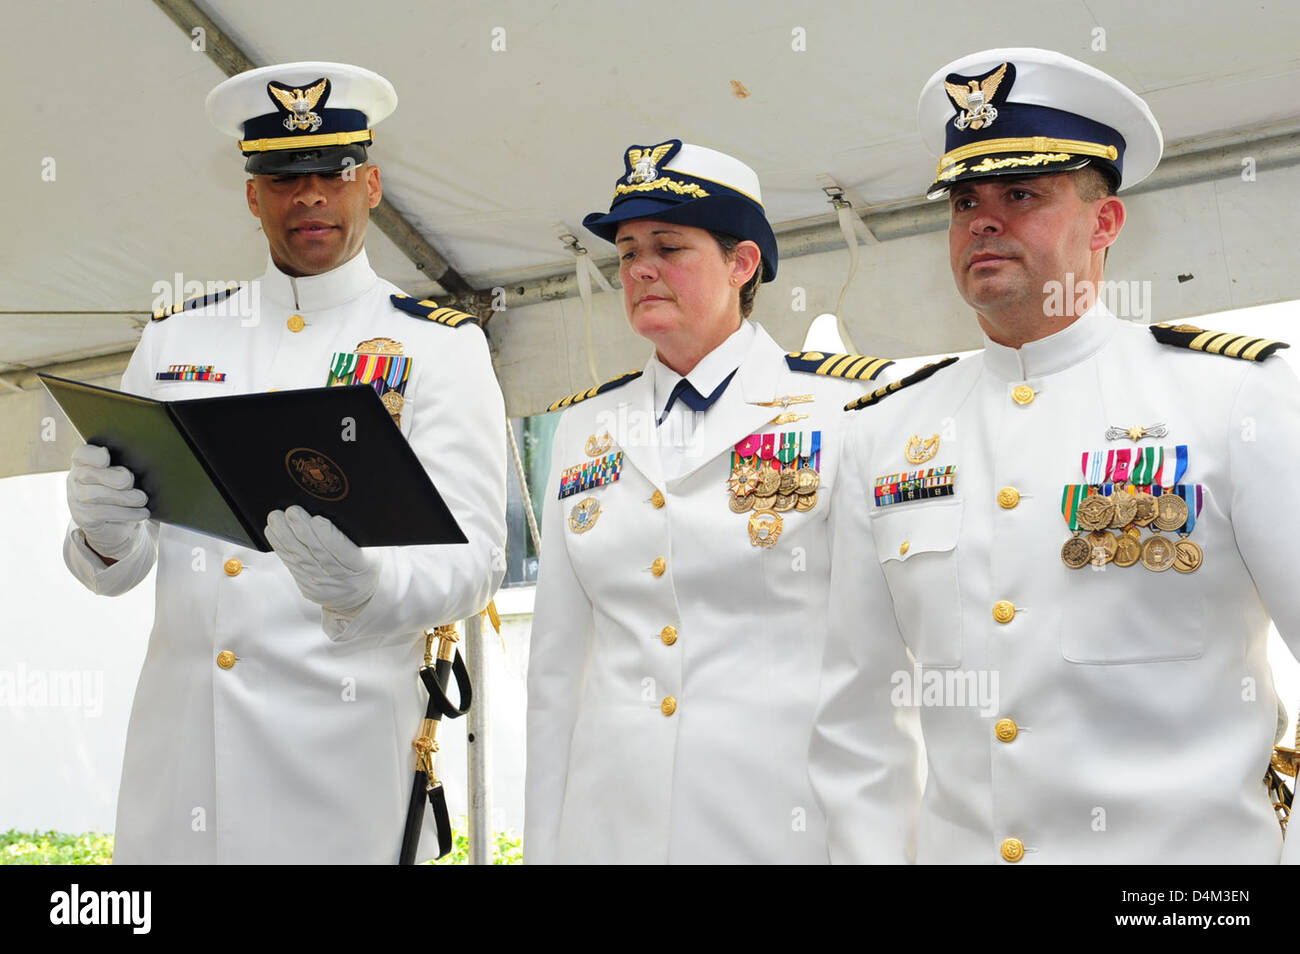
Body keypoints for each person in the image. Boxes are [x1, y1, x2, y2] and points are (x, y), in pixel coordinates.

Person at [810, 47, 1300, 863]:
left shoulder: (1233, 396)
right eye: (965, 200)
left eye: (1022, 194)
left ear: (1104, 223)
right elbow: (856, 710)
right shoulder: (883, 431)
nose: (984, 220)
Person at [62, 62, 506, 863]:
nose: (309, 197)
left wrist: (371, 590)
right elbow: (121, 567)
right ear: (251, 193)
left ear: (370, 185)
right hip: (184, 759)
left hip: (336, 763)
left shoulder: (438, 346)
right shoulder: (175, 341)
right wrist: (100, 535)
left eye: (332, 173)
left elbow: (478, 558)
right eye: (282, 175)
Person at [524, 140, 901, 863]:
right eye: (628, 250)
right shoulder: (584, 427)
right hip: (611, 830)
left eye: (669, 246)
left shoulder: (844, 410)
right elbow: (554, 674)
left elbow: (878, 670)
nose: (639, 269)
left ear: (742, 263)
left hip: (779, 824)